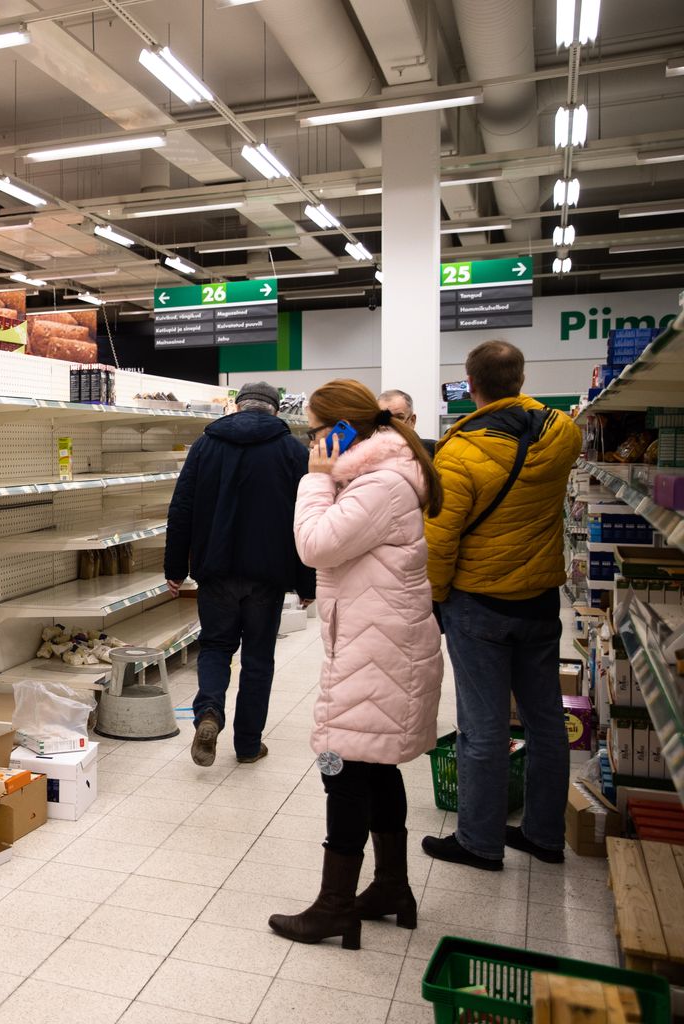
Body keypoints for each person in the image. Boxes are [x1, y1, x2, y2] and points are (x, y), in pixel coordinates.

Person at [268, 378, 444, 948]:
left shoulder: (380, 484)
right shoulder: (381, 475)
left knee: (341, 767)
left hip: (378, 648)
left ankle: (335, 906)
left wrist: (317, 479)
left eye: (315, 432)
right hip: (378, 641)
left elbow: (315, 544)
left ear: (343, 431)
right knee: (374, 765)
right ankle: (391, 887)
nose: (310, 443)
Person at [421, 340, 582, 870]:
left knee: (484, 727)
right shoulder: (562, 434)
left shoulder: (459, 453)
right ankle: (544, 834)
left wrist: (435, 598)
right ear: (521, 378)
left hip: (480, 605)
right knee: (546, 722)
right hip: (540, 601)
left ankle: (479, 841)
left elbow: (439, 542)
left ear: (470, 385)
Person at [164, 381, 316, 767]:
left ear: (236, 406)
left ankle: (209, 712)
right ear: (276, 411)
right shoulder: (293, 451)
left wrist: (175, 568)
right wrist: (307, 582)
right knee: (258, 658)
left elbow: (181, 509)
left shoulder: (205, 446)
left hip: (215, 571)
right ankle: (248, 744)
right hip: (268, 575)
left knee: (216, 647)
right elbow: (306, 518)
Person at [379, 388, 436, 456]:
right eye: (383, 418)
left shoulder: (435, 450)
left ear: (412, 421)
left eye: (398, 418)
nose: (391, 424)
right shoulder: (370, 453)